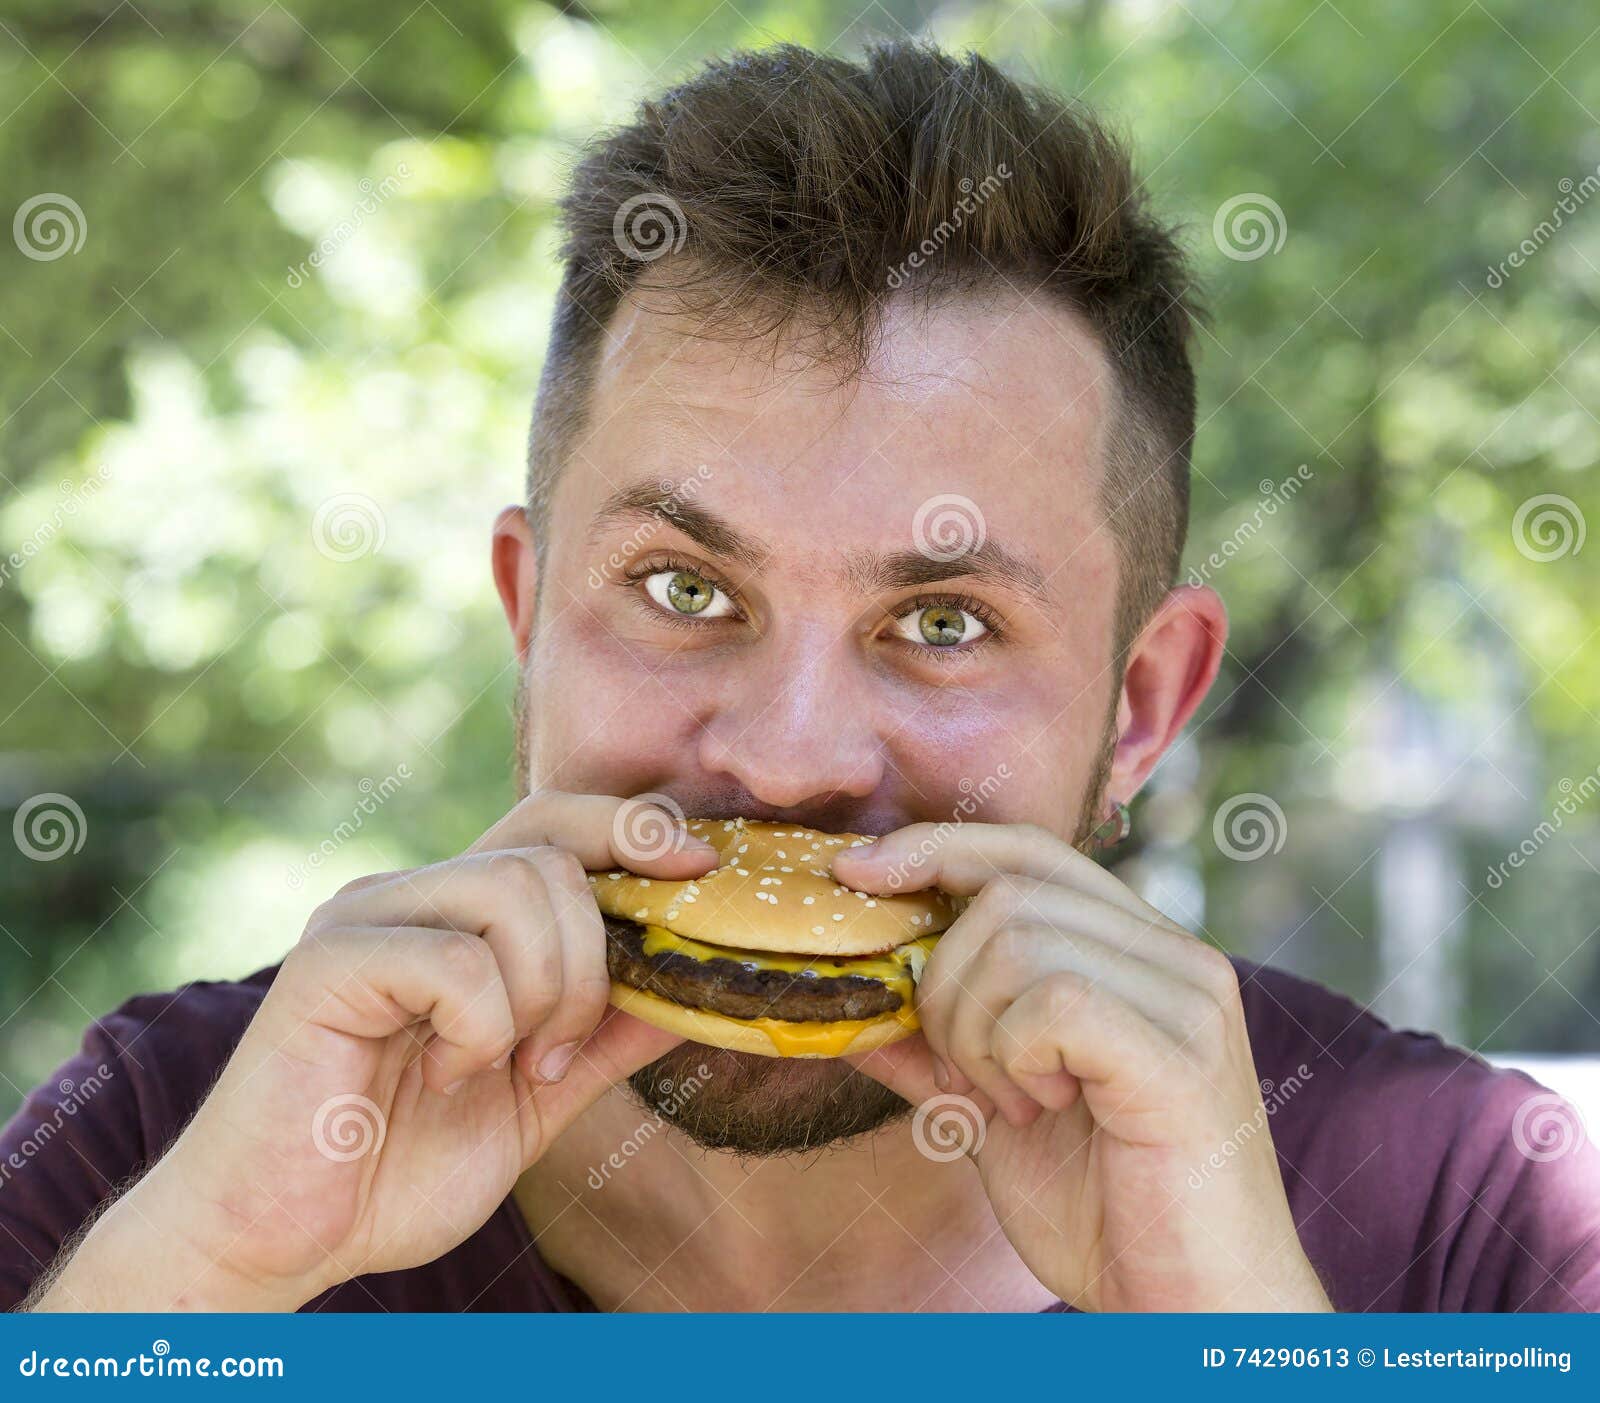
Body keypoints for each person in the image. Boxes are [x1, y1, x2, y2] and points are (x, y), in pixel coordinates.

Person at [4, 39, 1596, 1314]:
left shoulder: (1476, 1226)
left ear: (1141, 707)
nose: (787, 761)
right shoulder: (170, 1146)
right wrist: (195, 1294)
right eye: (686, 590)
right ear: (529, 618)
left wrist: (1228, 1338)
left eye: (947, 621)